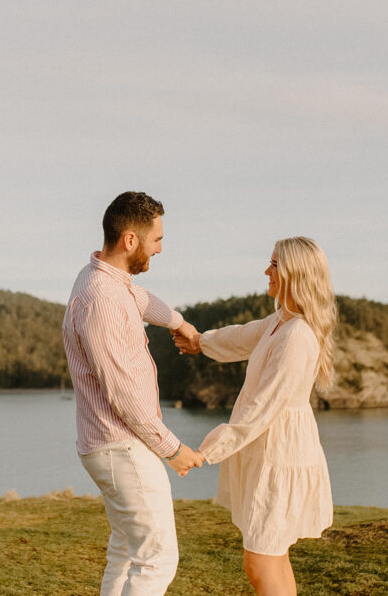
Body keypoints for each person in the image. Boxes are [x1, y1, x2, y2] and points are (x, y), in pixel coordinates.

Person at [172, 237, 336, 596]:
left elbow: (264, 407)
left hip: (281, 453)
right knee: (271, 557)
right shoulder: (282, 322)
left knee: (261, 560)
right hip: (272, 449)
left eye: (275, 264)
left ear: (295, 272)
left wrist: (209, 451)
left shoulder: (297, 335)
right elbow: (243, 336)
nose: (267, 271)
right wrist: (200, 341)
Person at [62, 190, 205, 596]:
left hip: (110, 445)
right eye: (156, 239)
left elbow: (141, 300)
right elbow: (123, 395)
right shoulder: (101, 300)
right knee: (157, 558)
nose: (159, 248)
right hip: (121, 446)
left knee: (125, 551)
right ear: (130, 240)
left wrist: (178, 323)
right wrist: (171, 448)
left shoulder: (103, 278)